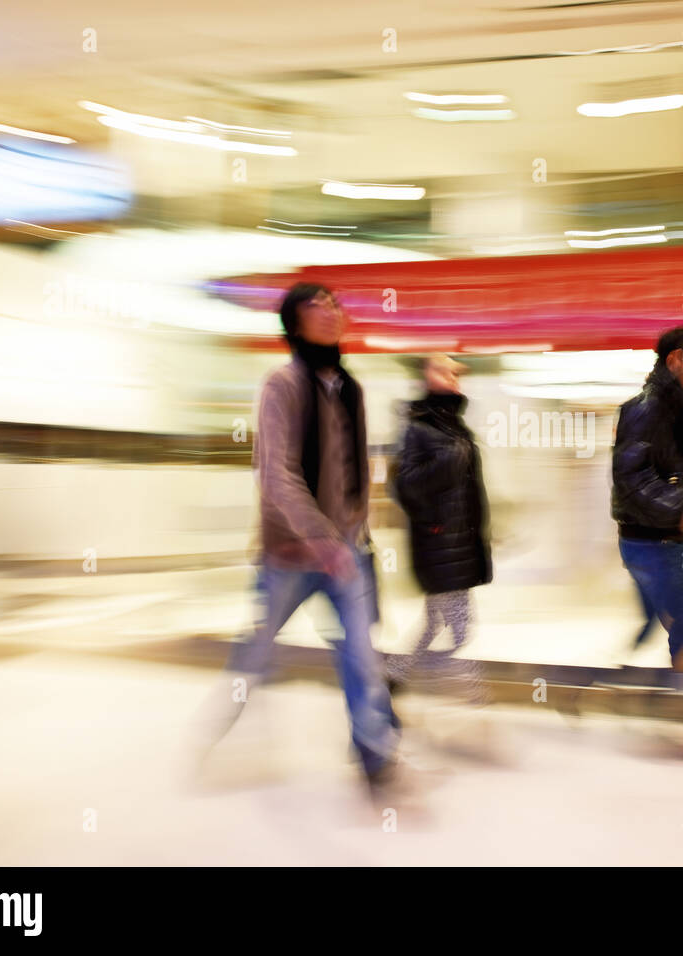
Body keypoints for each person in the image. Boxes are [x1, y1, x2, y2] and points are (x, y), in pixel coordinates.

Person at [198, 282, 401, 793]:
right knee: (256, 656)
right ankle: (220, 730)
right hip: (288, 557)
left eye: (335, 302)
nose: (331, 311)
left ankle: (373, 752)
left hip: (345, 554)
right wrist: (322, 539)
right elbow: (276, 475)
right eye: (317, 305)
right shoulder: (281, 386)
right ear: (294, 323)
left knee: (360, 654)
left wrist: (356, 533)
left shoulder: (350, 388)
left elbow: (356, 468)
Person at [608, 326, 683, 705]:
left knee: (661, 624)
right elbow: (632, 478)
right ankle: (675, 711)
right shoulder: (645, 410)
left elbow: (657, 473)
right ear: (676, 360)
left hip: (653, 539)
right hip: (650, 541)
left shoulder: (672, 410)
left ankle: (602, 684)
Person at [389, 353, 492, 707]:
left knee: (434, 624)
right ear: (426, 377)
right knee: (462, 632)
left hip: (458, 545)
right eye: (443, 370)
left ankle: (396, 674)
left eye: (455, 372)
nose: (453, 377)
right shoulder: (417, 427)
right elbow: (405, 486)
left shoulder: (453, 424)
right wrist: (448, 462)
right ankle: (468, 692)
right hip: (439, 546)